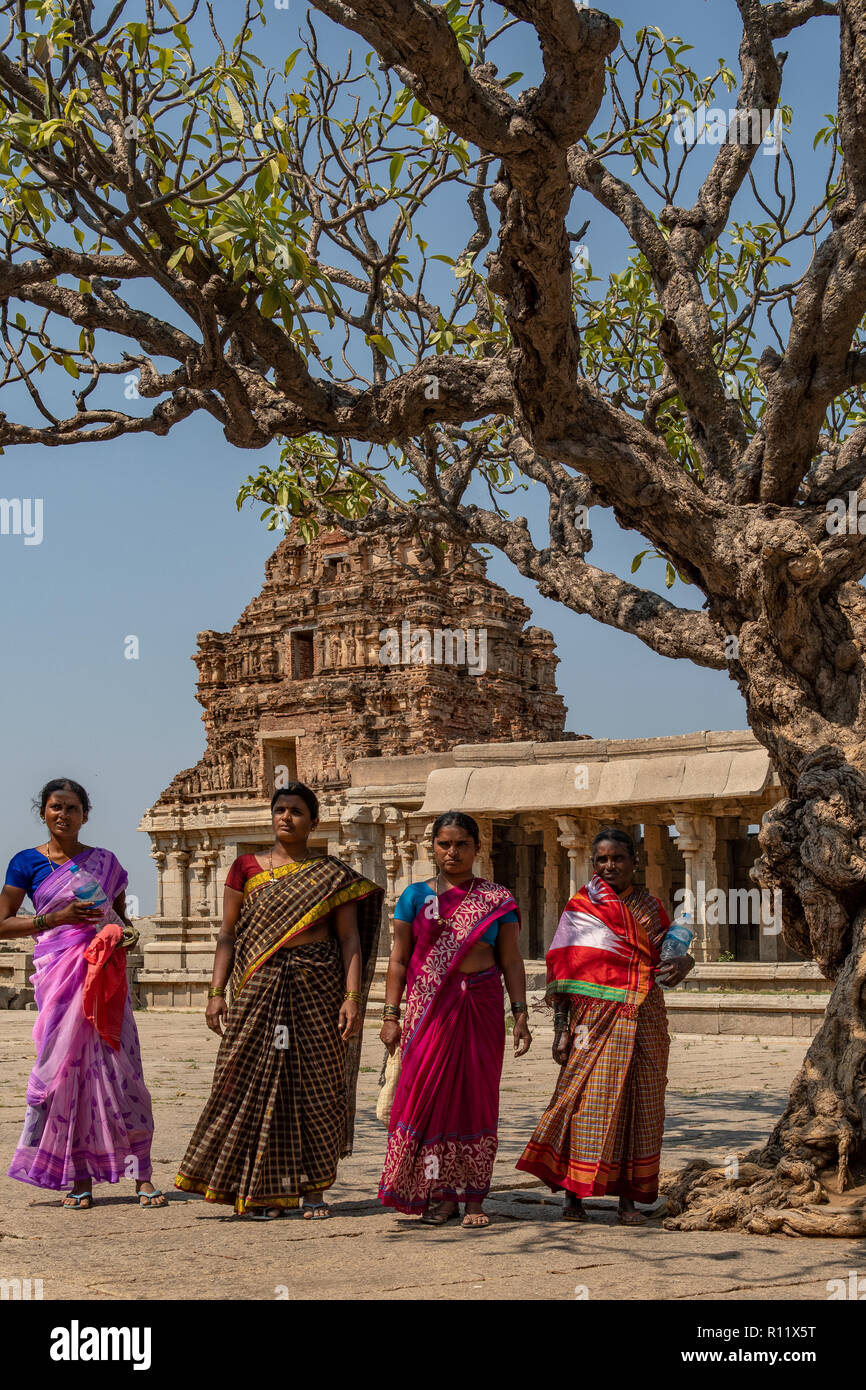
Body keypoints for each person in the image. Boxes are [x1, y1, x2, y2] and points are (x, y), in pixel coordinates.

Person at [176, 783, 383, 1218]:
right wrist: (215, 993)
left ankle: (312, 1190)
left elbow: (349, 940)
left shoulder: (332, 875)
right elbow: (228, 935)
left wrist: (352, 998)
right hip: (258, 988)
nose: (286, 818)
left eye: (296, 812)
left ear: (314, 821)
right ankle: (257, 1190)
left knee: (318, 1086)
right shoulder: (246, 869)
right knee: (245, 1080)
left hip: (317, 988)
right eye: (280, 810)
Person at [516, 827, 694, 1225]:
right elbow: (562, 969)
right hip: (590, 1022)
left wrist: (685, 963)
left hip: (645, 1017)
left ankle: (628, 1200)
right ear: (594, 863)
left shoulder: (651, 908)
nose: (609, 865)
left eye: (618, 858)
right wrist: (561, 1029)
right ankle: (573, 1195)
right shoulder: (581, 908)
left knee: (640, 1106)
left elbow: (670, 956)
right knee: (583, 1103)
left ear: (635, 861)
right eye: (602, 859)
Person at [1, 779, 163, 1209]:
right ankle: (78, 1177)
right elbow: (2, 921)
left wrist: (122, 936)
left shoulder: (105, 863)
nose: (64, 815)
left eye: (72, 808)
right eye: (56, 807)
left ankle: (140, 1176)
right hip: (61, 978)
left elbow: (123, 919)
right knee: (63, 1077)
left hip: (105, 981)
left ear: (85, 815)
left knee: (123, 1074)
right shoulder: (25, 864)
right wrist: (54, 918)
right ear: (44, 812)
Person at [378, 811, 532, 1229]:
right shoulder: (414, 896)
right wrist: (391, 1014)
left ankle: (475, 1197)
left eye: (462, 844)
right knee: (431, 1096)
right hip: (430, 1008)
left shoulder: (497, 899)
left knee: (476, 1096)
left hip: (480, 1005)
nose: (452, 852)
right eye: (444, 843)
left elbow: (511, 960)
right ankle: (440, 1196)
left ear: (477, 848)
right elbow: (398, 960)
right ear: (433, 846)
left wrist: (520, 1013)